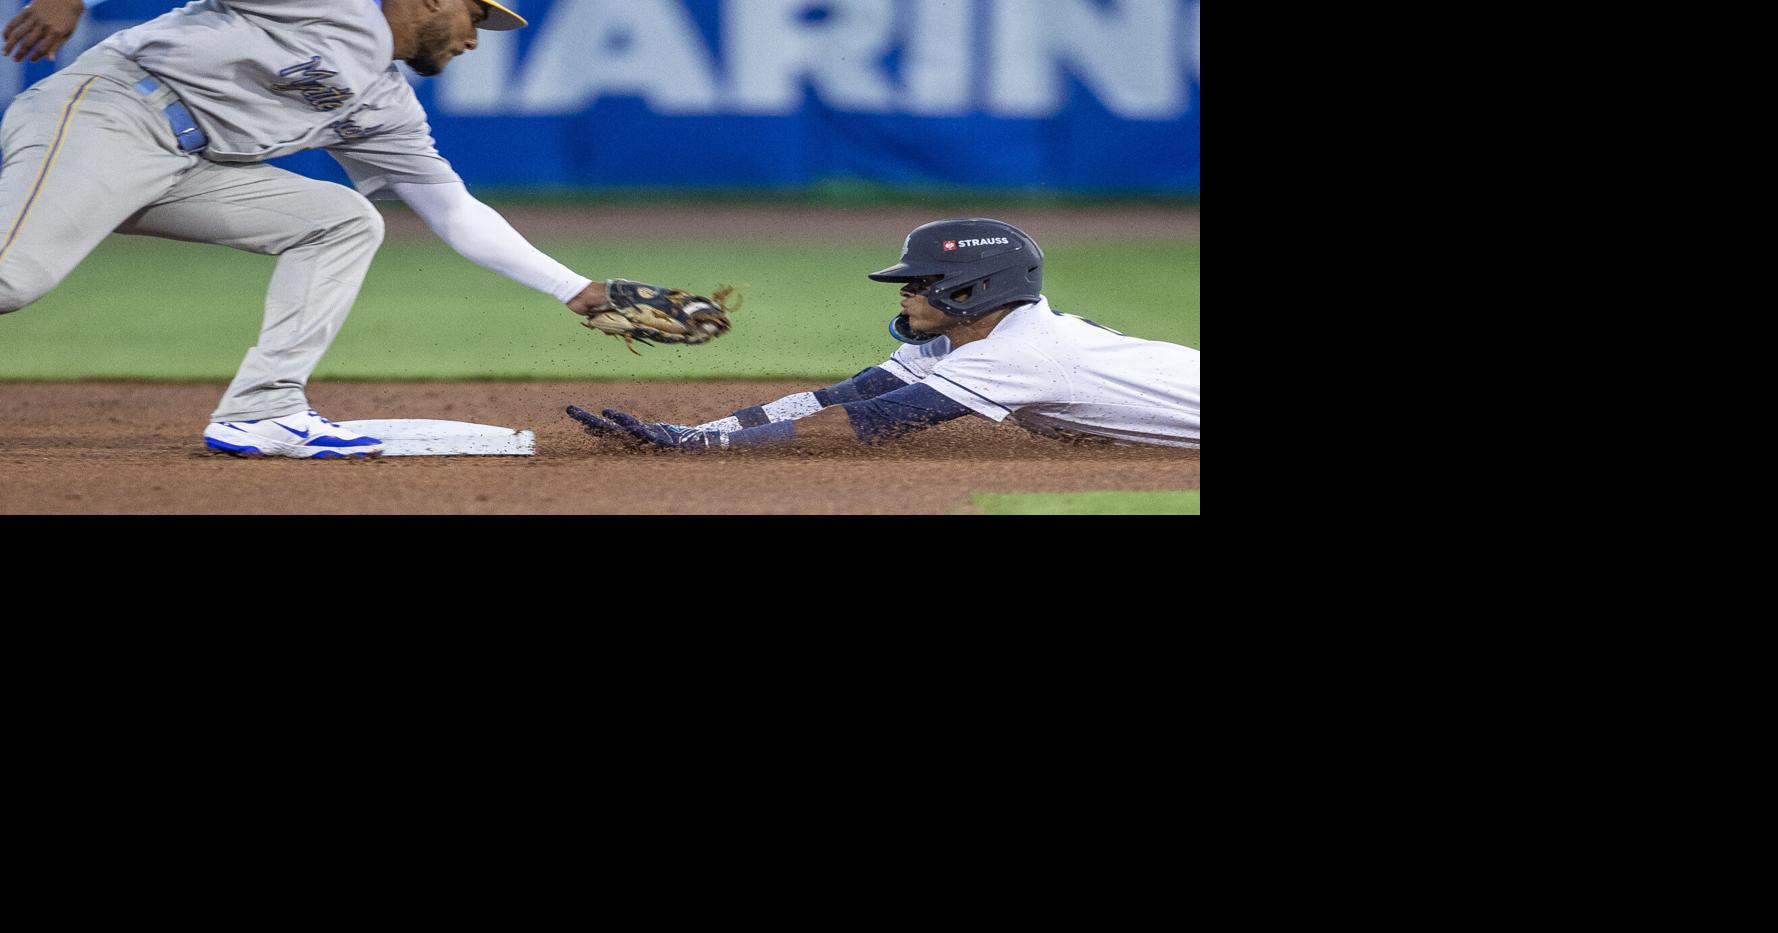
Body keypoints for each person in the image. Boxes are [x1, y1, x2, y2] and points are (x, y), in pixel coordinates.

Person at [1, 0, 684, 458]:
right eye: (472, 14)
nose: (476, 37)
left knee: (341, 220)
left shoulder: (383, 102)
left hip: (183, 164)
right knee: (14, 279)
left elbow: (452, 209)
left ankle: (263, 409)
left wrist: (578, 290)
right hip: (111, 112)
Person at [570, 218, 1201, 451]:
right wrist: (716, 427)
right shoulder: (961, 338)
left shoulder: (1019, 351)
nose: (905, 292)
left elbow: (868, 424)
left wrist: (702, 447)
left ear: (976, 287)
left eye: (921, 280)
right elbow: (849, 396)